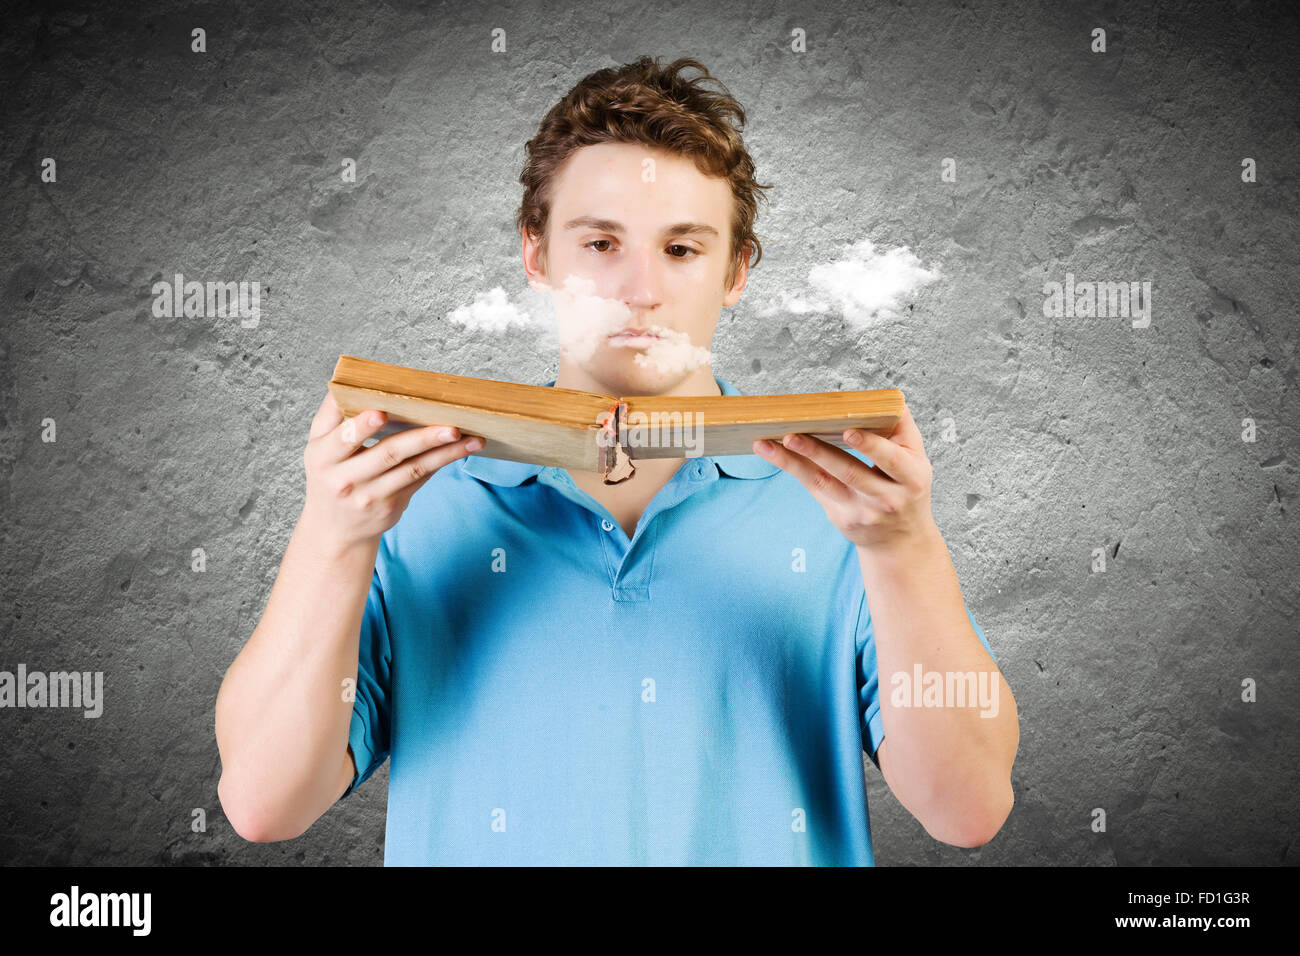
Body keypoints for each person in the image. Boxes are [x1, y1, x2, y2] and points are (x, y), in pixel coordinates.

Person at [215, 55, 1018, 865]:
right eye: (601, 242)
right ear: (536, 256)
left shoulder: (847, 506)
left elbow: (970, 808)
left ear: (736, 270)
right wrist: (333, 536)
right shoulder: (404, 500)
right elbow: (262, 802)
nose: (640, 288)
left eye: (681, 250)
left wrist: (904, 549)